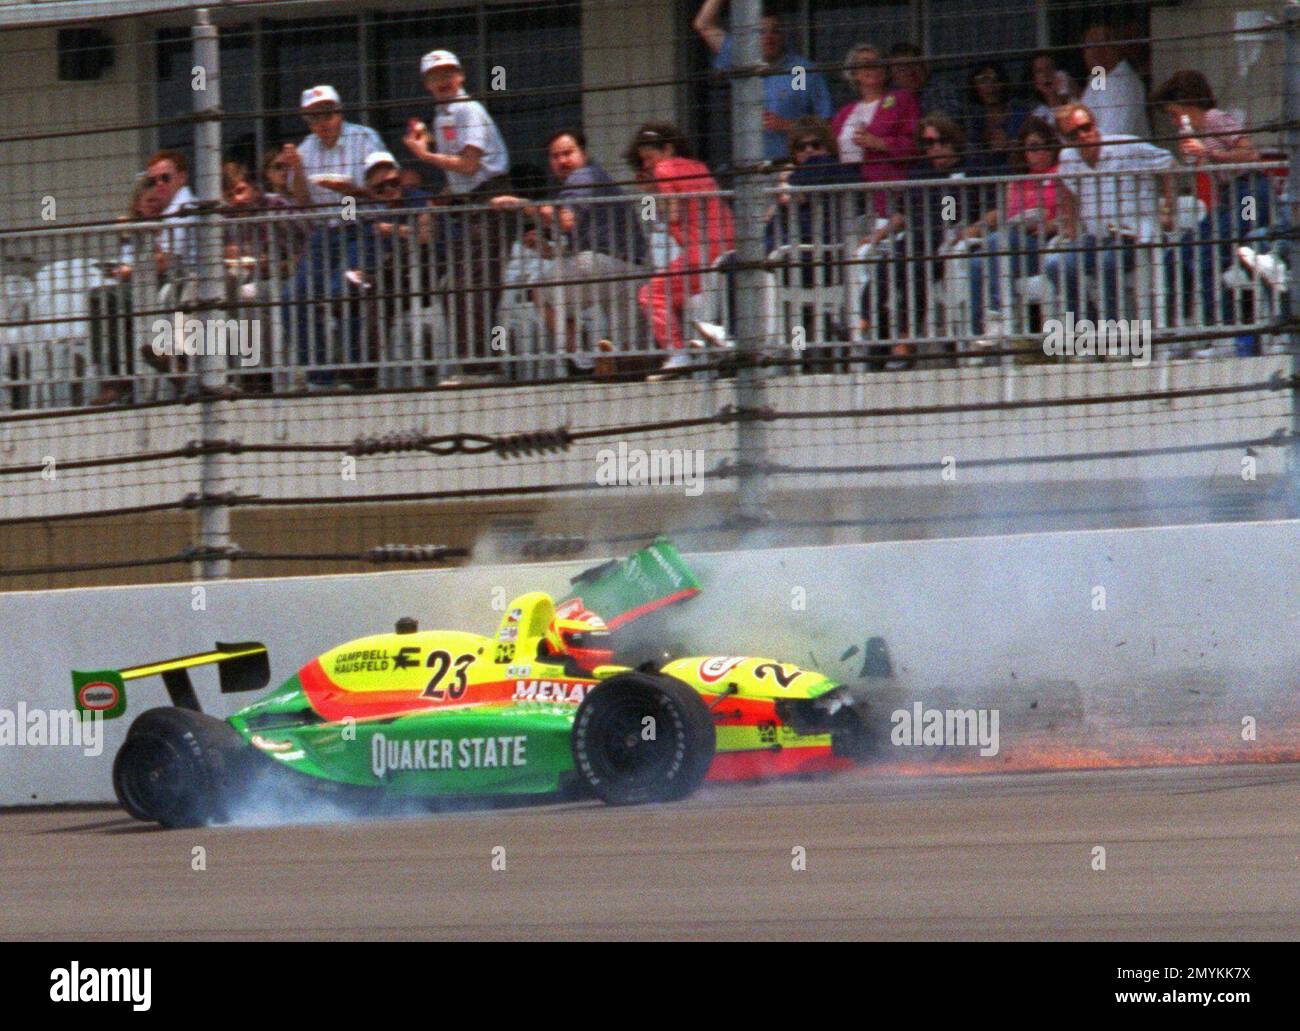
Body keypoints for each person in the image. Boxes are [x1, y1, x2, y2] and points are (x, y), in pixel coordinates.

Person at [492, 128, 648, 370]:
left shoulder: (581, 177)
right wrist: (548, 249)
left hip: (603, 266)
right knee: (628, 352)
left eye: (568, 153)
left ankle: (578, 359)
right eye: (555, 156)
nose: (562, 161)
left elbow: (564, 219)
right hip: (634, 271)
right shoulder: (596, 176)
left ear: (583, 152)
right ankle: (621, 364)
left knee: (541, 291)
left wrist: (521, 204)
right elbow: (583, 237)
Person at [403, 49, 512, 371]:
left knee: (473, 288)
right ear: (426, 83)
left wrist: (425, 156)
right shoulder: (443, 116)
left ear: (461, 76)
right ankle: (477, 363)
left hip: (491, 202)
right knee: (455, 288)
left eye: (449, 74)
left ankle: (482, 367)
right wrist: (436, 202)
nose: (443, 81)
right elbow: (457, 177)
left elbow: (468, 165)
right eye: (435, 76)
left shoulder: (468, 109)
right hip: (468, 206)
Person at [858, 113, 995, 366]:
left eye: (939, 141)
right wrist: (876, 235)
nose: (934, 148)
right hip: (914, 238)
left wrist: (972, 230)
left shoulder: (972, 168)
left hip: (947, 241)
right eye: (928, 143)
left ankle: (904, 339)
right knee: (886, 265)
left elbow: (995, 209)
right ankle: (866, 323)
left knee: (916, 271)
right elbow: (902, 213)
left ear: (952, 141)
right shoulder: (919, 172)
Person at [1151, 70, 1266, 351]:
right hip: (1227, 198)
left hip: (1248, 194)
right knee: (1177, 254)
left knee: (1208, 255)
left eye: (1175, 113)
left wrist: (1210, 154)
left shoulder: (1214, 119)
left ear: (1189, 106)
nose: (1174, 120)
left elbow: (1250, 154)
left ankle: (1224, 331)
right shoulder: (1195, 132)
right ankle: (1183, 327)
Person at [1045, 102, 1174, 323]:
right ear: (1065, 139)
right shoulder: (1068, 156)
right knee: (1056, 264)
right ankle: (1089, 327)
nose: (1083, 136)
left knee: (1106, 262)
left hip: (1135, 237)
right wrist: (1070, 225)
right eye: (1073, 134)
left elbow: (1168, 162)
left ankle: (1115, 335)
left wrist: (1167, 210)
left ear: (1095, 124)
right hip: (1096, 238)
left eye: (1086, 127)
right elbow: (1065, 186)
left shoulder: (1126, 146)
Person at [625, 124, 735, 377]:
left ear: (668, 149)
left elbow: (673, 213)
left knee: (650, 294)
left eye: (649, 159)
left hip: (702, 253)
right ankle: (704, 344)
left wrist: (653, 192)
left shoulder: (665, 168)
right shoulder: (699, 167)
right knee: (681, 293)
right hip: (725, 249)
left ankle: (677, 352)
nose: (649, 167)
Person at [692, 1, 833, 162]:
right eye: (761, 32)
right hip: (751, 166)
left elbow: (826, 124)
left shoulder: (798, 71)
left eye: (775, 31)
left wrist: (787, 125)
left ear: (783, 35)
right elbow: (703, 24)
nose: (769, 37)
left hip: (793, 165)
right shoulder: (742, 61)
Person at [968, 116, 1063, 339]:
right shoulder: (1018, 180)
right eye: (1031, 148)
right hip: (1016, 242)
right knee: (974, 263)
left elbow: (1074, 214)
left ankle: (998, 314)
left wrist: (1051, 226)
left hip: (1046, 243)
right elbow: (1008, 216)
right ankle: (979, 335)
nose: (1038, 153)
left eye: (1043, 146)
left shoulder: (1062, 172)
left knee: (996, 243)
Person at [831, 43, 920, 215]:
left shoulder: (901, 99)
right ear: (854, 73)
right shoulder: (845, 112)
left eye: (877, 63)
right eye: (865, 63)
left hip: (889, 190)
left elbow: (915, 143)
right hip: (853, 194)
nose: (872, 67)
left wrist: (879, 143)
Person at [279, 85, 385, 210]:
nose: (322, 123)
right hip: (325, 226)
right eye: (314, 117)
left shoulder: (364, 137)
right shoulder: (306, 148)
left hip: (367, 222)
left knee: (348, 216)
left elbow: (386, 188)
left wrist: (351, 190)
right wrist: (297, 168)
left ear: (340, 112)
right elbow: (303, 202)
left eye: (327, 114)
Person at [1080, 24, 1150, 140]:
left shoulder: (1125, 82)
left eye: (1100, 45)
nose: (1094, 52)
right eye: (1089, 46)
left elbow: (1117, 134)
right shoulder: (1099, 75)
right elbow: (1089, 111)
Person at [963, 60, 1029, 176]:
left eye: (996, 80)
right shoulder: (971, 118)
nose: (990, 87)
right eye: (984, 80)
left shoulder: (1018, 113)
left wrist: (1008, 144)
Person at [887, 42, 963, 125]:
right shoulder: (888, 95)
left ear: (924, 66)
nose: (910, 72)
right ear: (892, 75)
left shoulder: (941, 88)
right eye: (902, 69)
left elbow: (946, 123)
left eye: (914, 64)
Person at [1026, 50, 1079, 125]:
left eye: (1049, 68)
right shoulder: (1038, 116)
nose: (1046, 74)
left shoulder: (1076, 105)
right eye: (1039, 71)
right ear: (1035, 83)